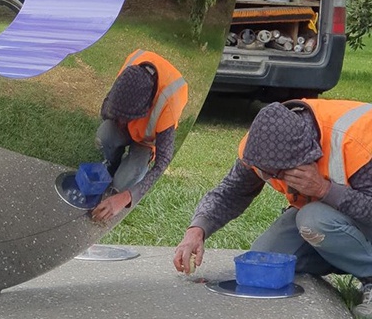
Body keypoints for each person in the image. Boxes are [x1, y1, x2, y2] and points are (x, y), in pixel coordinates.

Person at [173, 99, 372, 318]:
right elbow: (231, 192)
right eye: (268, 173)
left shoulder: (359, 140)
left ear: (309, 155)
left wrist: (324, 189)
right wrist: (197, 229)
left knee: (313, 220)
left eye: (281, 174)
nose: (273, 179)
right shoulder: (260, 147)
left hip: (354, 213)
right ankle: (353, 261)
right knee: (268, 259)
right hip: (340, 218)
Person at [90, 49, 188, 223]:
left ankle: (135, 165)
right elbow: (106, 107)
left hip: (145, 142)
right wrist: (114, 117)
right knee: (105, 134)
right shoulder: (130, 69)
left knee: (122, 184)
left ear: (146, 108)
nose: (120, 122)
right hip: (132, 123)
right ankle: (112, 164)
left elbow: (163, 163)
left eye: (125, 118)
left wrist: (126, 197)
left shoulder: (168, 105)